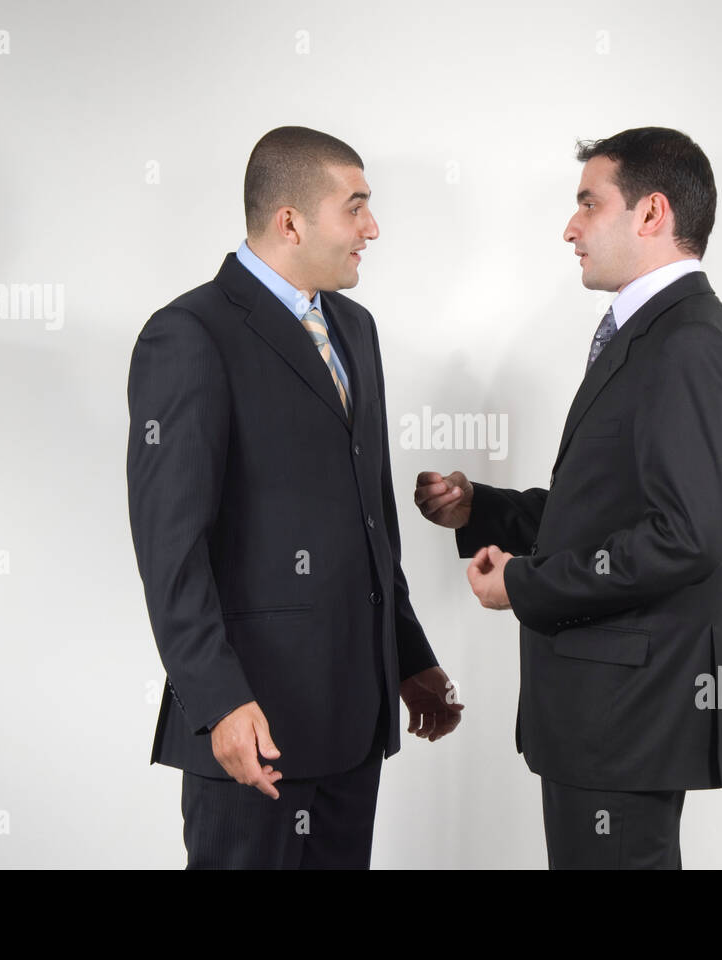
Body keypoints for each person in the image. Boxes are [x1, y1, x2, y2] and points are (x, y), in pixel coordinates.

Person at [414, 127, 722, 869]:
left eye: (587, 203)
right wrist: (483, 512)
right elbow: (606, 513)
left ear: (651, 213)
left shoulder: (688, 342)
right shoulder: (650, 335)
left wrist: (525, 585)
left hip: (626, 717)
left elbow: (686, 536)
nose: (570, 228)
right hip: (608, 715)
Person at [128, 126, 461, 869]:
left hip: (354, 722)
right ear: (291, 221)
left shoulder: (356, 328)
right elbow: (169, 550)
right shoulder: (189, 336)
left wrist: (407, 657)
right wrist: (216, 700)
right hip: (253, 726)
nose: (372, 228)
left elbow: (370, 521)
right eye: (357, 208)